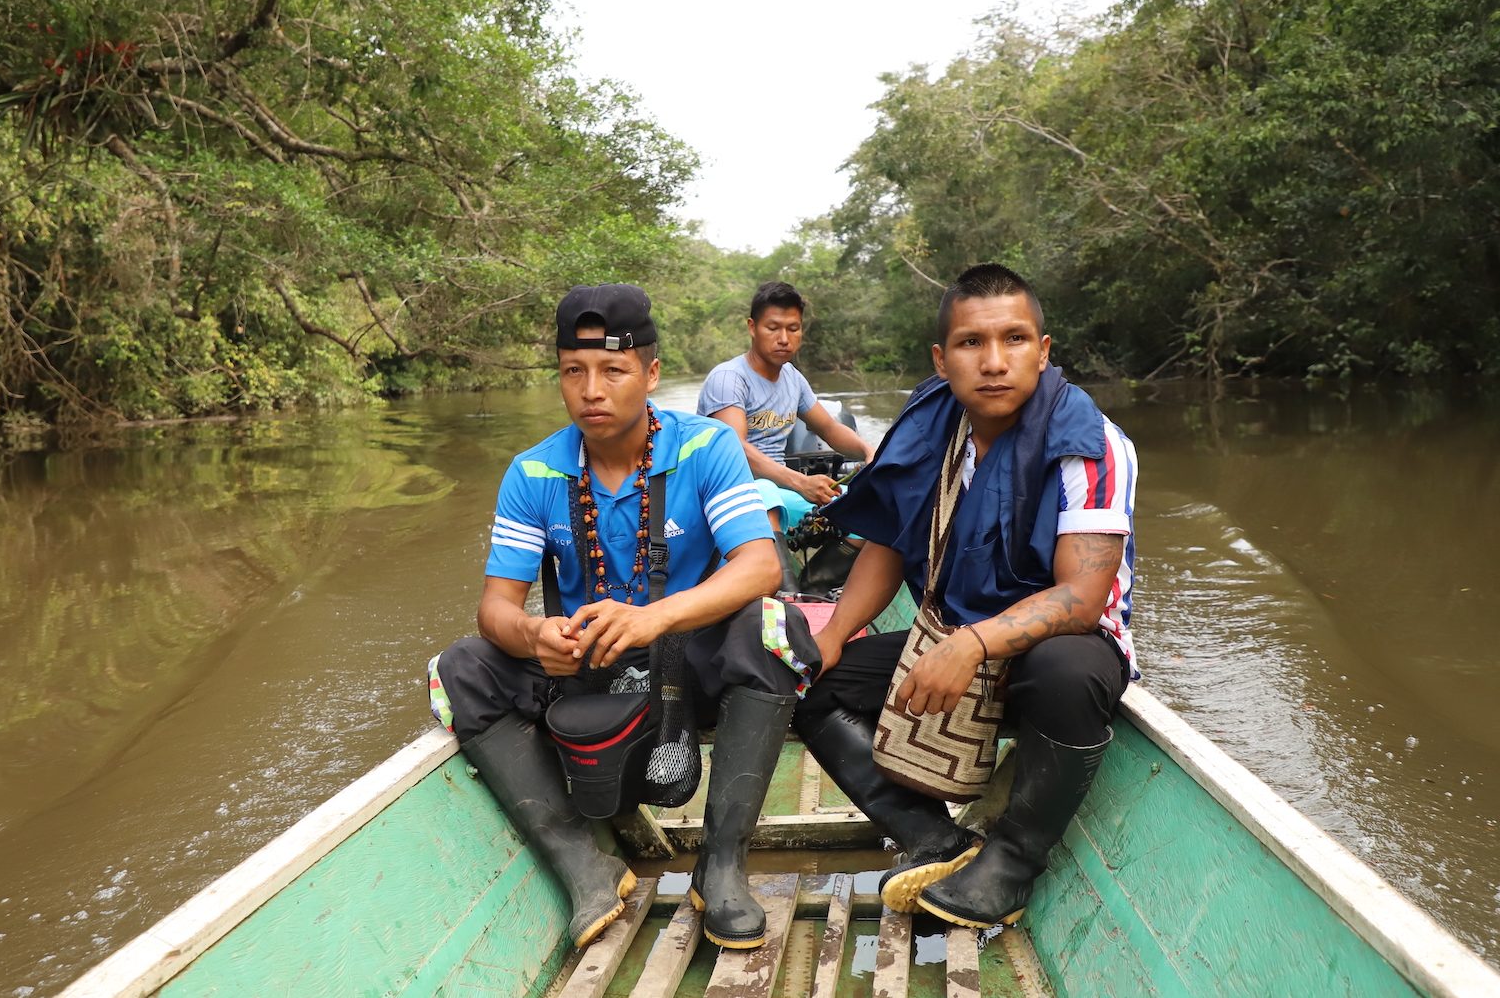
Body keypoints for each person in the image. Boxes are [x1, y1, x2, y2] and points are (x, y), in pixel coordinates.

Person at [427, 284, 815, 952]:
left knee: (771, 629)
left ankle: (721, 864)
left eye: (613, 369)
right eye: (573, 372)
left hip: (686, 665)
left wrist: (654, 619)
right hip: (585, 668)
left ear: (652, 373)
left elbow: (759, 567)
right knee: (459, 668)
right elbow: (496, 606)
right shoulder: (534, 471)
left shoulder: (705, 448)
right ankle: (584, 865)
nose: (591, 390)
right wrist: (534, 633)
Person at [795, 263, 1138, 930]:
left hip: (1052, 646)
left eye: (1015, 339)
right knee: (809, 677)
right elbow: (891, 545)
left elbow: (1081, 597)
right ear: (941, 359)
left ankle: (1012, 859)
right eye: (971, 343)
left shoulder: (1090, 443)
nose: (994, 361)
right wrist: (834, 633)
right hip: (952, 629)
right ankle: (935, 840)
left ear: (1043, 350)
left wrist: (974, 643)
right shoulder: (931, 427)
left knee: (1068, 668)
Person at [696, 281, 873, 535]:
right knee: (766, 492)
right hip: (736, 489)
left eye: (793, 329)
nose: (783, 339)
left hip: (780, 488)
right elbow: (735, 449)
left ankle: (818, 575)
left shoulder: (793, 378)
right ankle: (778, 570)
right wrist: (801, 482)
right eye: (773, 328)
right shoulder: (728, 378)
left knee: (874, 507)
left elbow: (829, 428)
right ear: (752, 328)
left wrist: (869, 451)